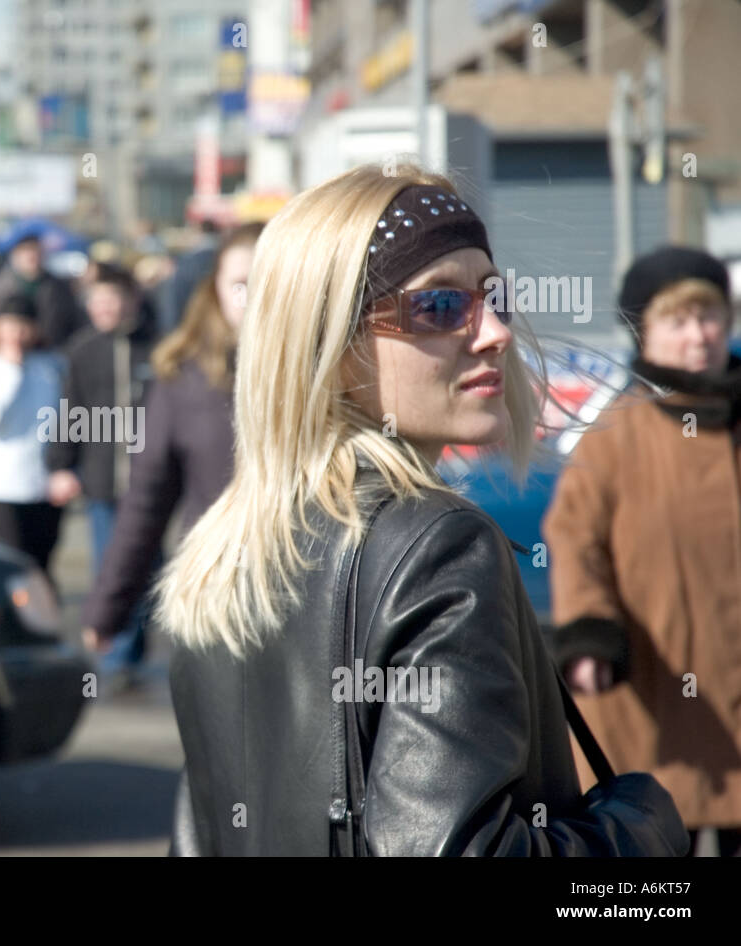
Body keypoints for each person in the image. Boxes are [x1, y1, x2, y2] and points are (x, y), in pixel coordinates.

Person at [157, 165, 687, 856]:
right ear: (333, 344)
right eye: (440, 306)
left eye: (491, 295)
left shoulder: (221, 556)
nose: (495, 331)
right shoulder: (436, 546)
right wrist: (636, 837)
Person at [542, 246, 741, 856]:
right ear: (644, 332)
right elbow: (574, 537)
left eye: (708, 317)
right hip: (652, 691)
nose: (698, 336)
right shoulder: (617, 433)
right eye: (676, 321)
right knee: (658, 857)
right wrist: (589, 631)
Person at [80, 223, 262, 677]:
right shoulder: (184, 380)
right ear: (215, 290)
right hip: (219, 603)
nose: (256, 297)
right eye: (241, 284)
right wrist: (109, 607)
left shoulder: (334, 370)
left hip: (318, 600)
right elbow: (145, 501)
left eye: (272, 281)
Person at [46, 264, 157, 681]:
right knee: (111, 565)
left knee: (148, 568)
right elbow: (69, 412)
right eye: (96, 301)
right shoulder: (83, 350)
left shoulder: (155, 348)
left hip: (150, 485)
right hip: (102, 484)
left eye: (112, 300)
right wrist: (60, 466)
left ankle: (135, 648)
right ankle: (116, 659)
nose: (104, 308)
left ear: (132, 301)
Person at [0, 293, 66, 574]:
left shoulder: (51, 365)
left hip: (43, 487)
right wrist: (10, 370)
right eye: (8, 326)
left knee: (40, 569)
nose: (16, 334)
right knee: (10, 569)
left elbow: (67, 420)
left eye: (23, 326)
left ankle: (42, 618)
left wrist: (67, 469)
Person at [0, 224, 84, 349]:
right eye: (25, 251)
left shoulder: (56, 287)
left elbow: (72, 322)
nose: (31, 256)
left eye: (35, 250)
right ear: (15, 254)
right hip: (10, 354)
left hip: (48, 353)